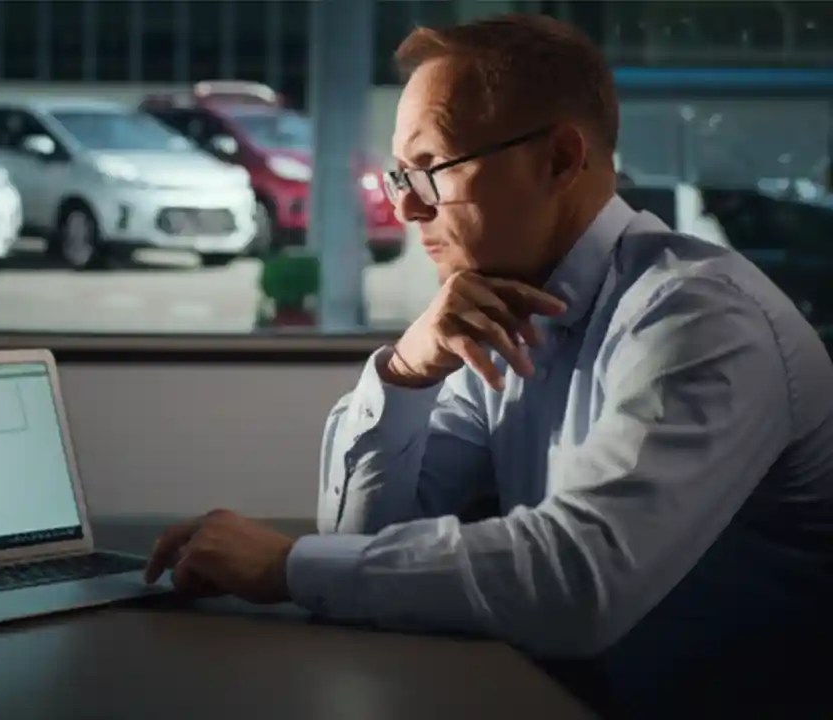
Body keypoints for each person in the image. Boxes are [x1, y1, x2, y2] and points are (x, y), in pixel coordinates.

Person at [144, 14, 833, 715]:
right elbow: (364, 540)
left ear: (561, 160)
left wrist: (284, 568)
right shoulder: (505, 304)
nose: (408, 205)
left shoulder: (700, 318)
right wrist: (407, 370)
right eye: (401, 174)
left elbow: (577, 581)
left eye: (433, 169)